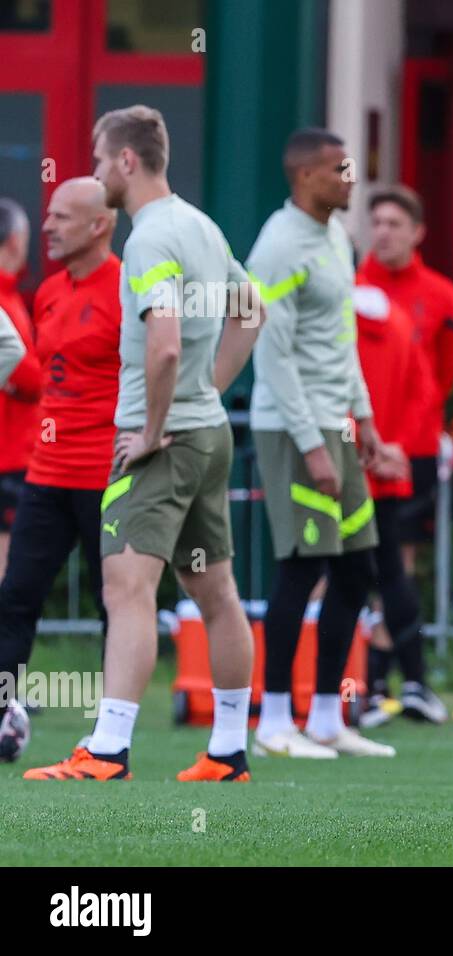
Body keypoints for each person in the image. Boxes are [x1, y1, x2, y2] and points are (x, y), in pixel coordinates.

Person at [25, 105, 265, 782]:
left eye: (100, 159)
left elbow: (162, 345)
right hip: (208, 433)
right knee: (216, 592)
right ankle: (226, 751)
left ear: (126, 162)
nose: (96, 171)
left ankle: (106, 749)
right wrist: (208, 392)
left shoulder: (149, 239)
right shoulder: (202, 226)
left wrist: (156, 428)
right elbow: (254, 311)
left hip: (163, 444)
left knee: (126, 587)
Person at [246, 128, 404, 759]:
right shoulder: (278, 248)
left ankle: (325, 719)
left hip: (335, 426)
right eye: (340, 169)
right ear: (305, 176)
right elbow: (273, 355)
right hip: (292, 429)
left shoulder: (337, 237)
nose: (350, 179)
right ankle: (273, 722)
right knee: (302, 567)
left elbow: (340, 345)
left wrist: (365, 425)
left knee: (356, 569)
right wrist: (312, 444)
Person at [0, 179, 119, 762]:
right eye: (46, 217)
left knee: (114, 605)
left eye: (61, 217)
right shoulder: (47, 292)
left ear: (99, 225)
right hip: (46, 471)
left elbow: (165, 361)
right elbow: (40, 379)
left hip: (107, 475)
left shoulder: (128, 287)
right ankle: (1, 709)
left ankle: (109, 738)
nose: (47, 227)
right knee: (16, 596)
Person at [355, 185, 453, 722]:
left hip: (411, 449)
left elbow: (438, 379)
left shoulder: (439, 293)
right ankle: (374, 686)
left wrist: (407, 438)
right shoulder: (352, 288)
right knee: (353, 565)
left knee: (399, 563)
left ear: (417, 231)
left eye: (395, 223)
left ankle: (404, 682)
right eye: (377, 222)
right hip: (355, 449)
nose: (384, 232)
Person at [351, 280, 448, 726]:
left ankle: (347, 692)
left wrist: (360, 444)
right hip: (386, 467)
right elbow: (424, 392)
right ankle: (408, 684)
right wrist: (396, 448)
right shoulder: (397, 319)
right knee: (391, 573)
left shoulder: (333, 317)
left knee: (334, 577)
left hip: (339, 466)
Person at [0, 198, 40, 582]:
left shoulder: (12, 296)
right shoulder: (5, 300)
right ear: (15, 241)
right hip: (10, 457)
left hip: (14, 453)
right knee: (9, 566)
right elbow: (32, 378)